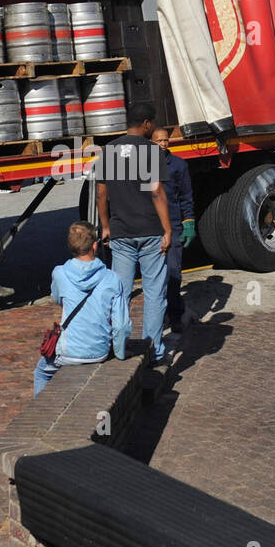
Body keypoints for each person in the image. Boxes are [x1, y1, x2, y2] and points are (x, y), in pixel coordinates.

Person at [95, 101, 171, 362]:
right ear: (147, 124)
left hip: (121, 232)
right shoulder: (151, 151)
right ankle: (154, 352)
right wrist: (168, 229)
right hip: (150, 230)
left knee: (120, 294)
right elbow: (156, 192)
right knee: (154, 294)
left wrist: (106, 226)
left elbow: (101, 193)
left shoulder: (109, 151)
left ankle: (119, 347)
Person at [32, 222, 130, 396]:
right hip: (99, 351)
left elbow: (57, 298)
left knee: (40, 374)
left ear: (71, 247)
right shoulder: (112, 278)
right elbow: (121, 325)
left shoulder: (60, 273)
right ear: (94, 245)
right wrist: (120, 354)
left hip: (69, 352)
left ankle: (41, 415)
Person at [151, 128, 195, 331]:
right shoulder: (145, 166)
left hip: (175, 224)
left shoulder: (179, 165)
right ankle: (159, 317)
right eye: (159, 141)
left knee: (174, 272)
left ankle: (175, 316)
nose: (163, 144)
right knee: (155, 276)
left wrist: (189, 221)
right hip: (152, 226)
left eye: (166, 140)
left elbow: (186, 195)